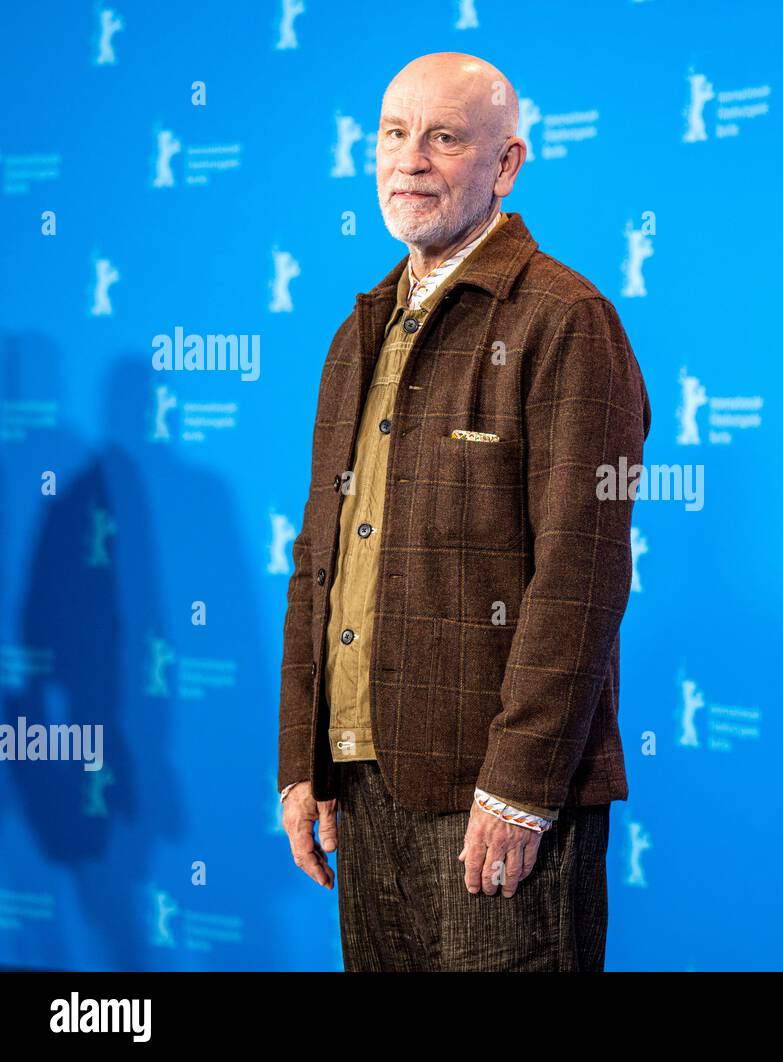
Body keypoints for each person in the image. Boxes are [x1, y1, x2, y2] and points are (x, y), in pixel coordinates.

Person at [275, 51, 650, 971]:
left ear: (506, 164)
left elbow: (582, 574)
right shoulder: (356, 329)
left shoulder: (566, 318)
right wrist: (305, 757)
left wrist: (520, 789)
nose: (411, 161)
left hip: (498, 799)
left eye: (445, 139)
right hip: (364, 794)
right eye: (395, 136)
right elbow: (319, 556)